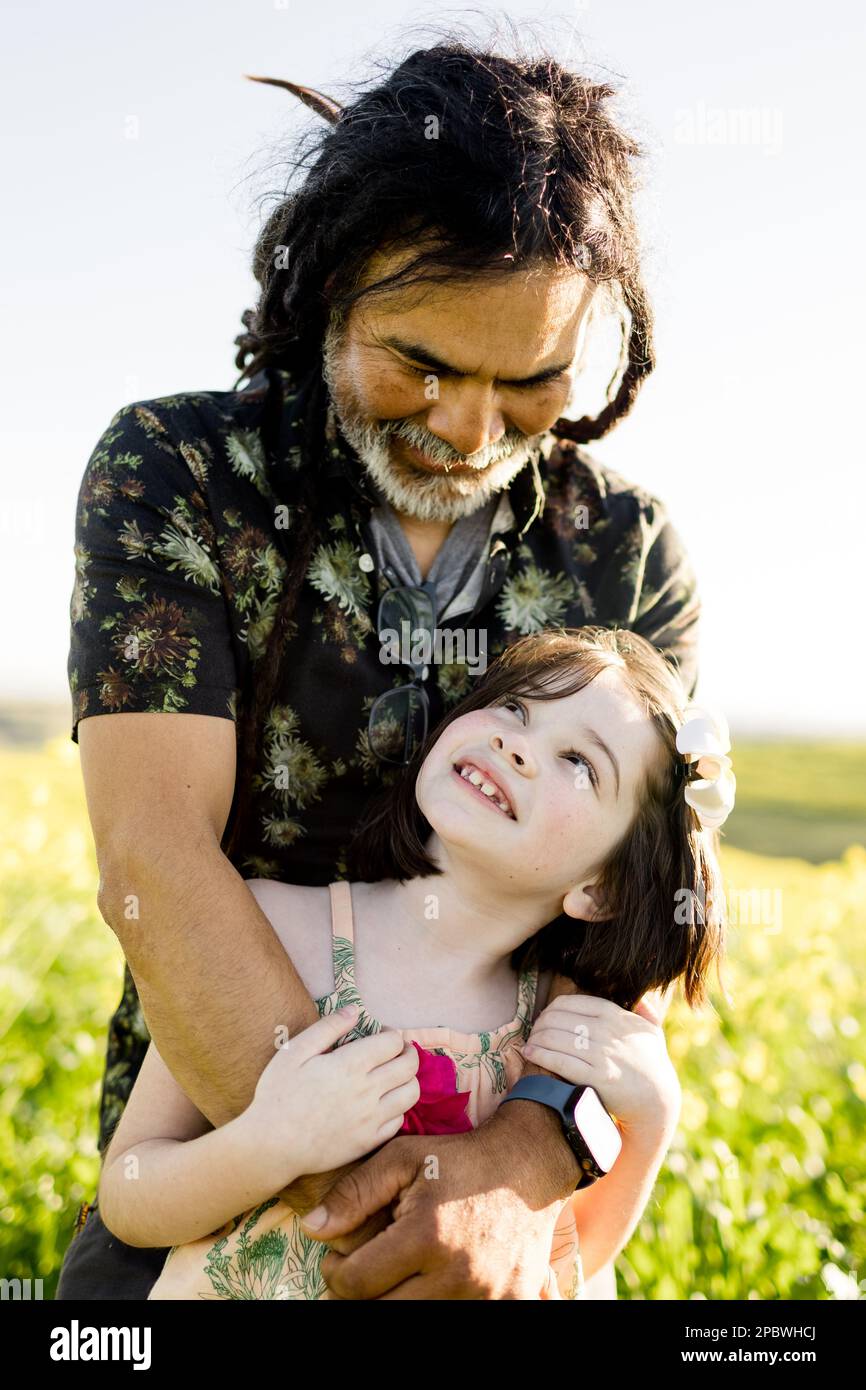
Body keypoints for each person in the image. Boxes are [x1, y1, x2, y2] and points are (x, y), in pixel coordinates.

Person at [58, 38, 704, 1300]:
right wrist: (383, 1210)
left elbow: (642, 906)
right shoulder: (175, 473)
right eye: (425, 364)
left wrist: (521, 1163)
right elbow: (153, 859)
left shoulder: (628, 552)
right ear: (330, 288)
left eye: (529, 383)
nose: (471, 433)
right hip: (211, 1191)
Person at [92, 627, 730, 1300]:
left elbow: (563, 1273)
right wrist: (266, 1145)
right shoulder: (270, 928)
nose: (517, 742)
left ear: (599, 890)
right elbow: (129, 1194)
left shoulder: (555, 1034)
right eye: (516, 708)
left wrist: (653, 1119)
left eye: (579, 761)